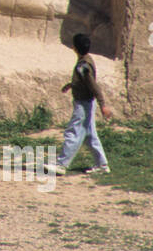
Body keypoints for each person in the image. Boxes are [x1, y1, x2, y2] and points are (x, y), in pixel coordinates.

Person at [45, 33, 113, 176]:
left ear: (74, 47)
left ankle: (61, 164)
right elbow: (84, 81)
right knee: (89, 136)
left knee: (73, 132)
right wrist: (71, 85)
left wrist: (103, 105)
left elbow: (93, 86)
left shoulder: (83, 66)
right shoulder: (87, 60)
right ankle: (102, 164)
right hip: (87, 103)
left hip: (83, 105)